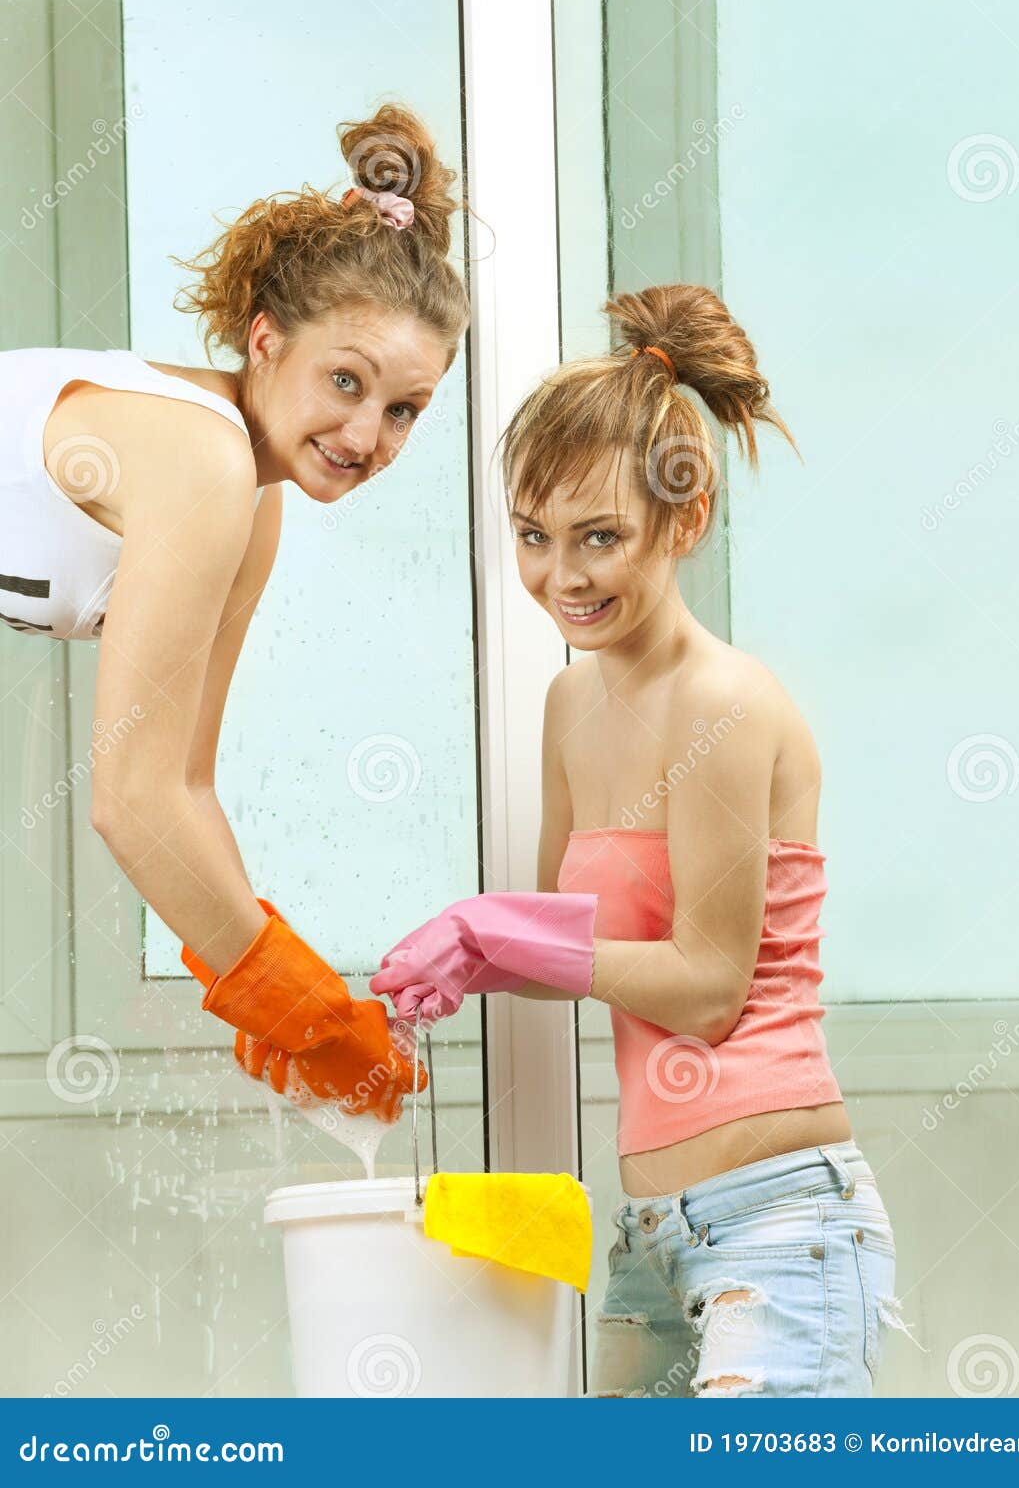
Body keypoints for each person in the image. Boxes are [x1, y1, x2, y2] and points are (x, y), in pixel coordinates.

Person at [372, 282, 917, 1394]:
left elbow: (708, 986)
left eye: (598, 537)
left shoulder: (723, 701)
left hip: (780, 1226)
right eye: (532, 536)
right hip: (651, 1237)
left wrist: (496, 928)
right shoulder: (570, 706)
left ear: (686, 516)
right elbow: (574, 945)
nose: (560, 576)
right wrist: (461, 957)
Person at [1, 103, 469, 1123]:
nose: (365, 433)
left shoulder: (252, 502)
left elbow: (184, 782)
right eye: (343, 380)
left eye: (403, 409)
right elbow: (127, 798)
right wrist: (293, 1001)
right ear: (266, 342)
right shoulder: (204, 461)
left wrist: (273, 999)